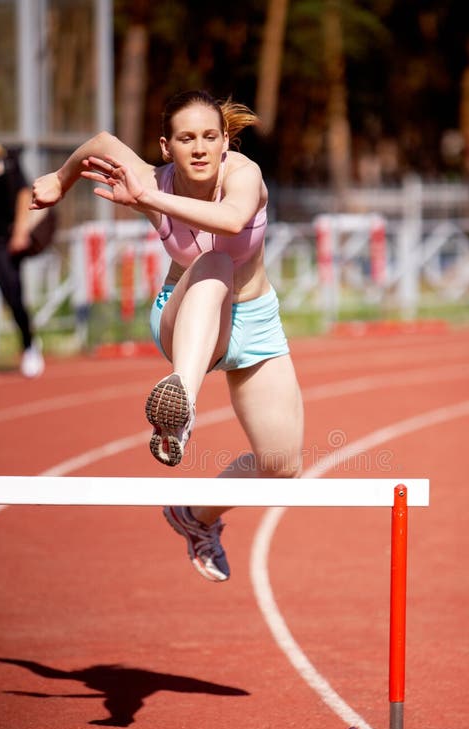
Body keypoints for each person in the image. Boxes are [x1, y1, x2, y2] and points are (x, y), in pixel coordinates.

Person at [31, 90, 304, 583]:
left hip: (255, 324)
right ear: (165, 145)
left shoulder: (242, 174)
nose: (199, 148)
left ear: (225, 143)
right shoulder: (152, 176)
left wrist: (147, 199)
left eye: (208, 137)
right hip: (187, 319)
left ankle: (193, 517)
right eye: (185, 138)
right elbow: (101, 142)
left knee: (282, 464)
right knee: (215, 261)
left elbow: (234, 219)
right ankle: (180, 409)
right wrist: (59, 178)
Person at [0, 139, 45, 377]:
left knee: (12, 295)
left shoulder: (5, 156)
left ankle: (29, 344)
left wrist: (21, 230)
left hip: (3, 240)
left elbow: (23, 191)